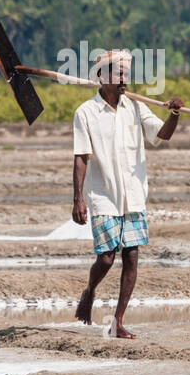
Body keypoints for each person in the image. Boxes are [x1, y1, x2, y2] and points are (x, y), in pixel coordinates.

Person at [71, 49, 183, 338]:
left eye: (125, 73)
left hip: (133, 195)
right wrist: (78, 199)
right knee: (107, 257)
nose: (124, 79)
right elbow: (81, 157)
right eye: (117, 73)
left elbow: (163, 135)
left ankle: (117, 321)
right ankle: (90, 291)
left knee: (131, 256)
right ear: (102, 77)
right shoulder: (85, 113)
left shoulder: (135, 107)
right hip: (103, 196)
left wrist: (174, 114)